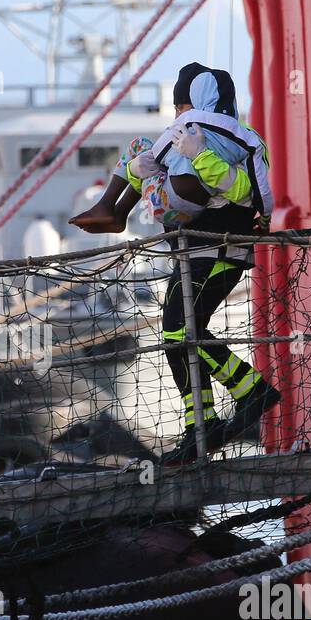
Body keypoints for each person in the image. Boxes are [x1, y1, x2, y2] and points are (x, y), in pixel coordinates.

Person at [71, 62, 280, 465]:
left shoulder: (227, 142)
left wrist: (199, 155)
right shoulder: (198, 141)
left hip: (220, 251)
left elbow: (244, 194)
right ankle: (200, 424)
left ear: (196, 103)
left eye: (183, 105)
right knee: (179, 336)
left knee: (180, 330)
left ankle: (251, 391)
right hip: (191, 253)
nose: (180, 117)